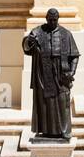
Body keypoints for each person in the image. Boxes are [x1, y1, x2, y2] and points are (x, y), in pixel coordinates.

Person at [22, 8, 80, 140]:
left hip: (61, 73)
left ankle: (64, 130)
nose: (52, 22)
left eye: (55, 20)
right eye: (50, 20)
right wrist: (29, 41)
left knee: (62, 101)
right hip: (43, 73)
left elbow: (75, 56)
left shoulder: (66, 34)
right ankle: (46, 130)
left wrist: (71, 72)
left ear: (58, 19)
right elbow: (26, 47)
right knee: (45, 103)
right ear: (46, 19)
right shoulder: (37, 32)